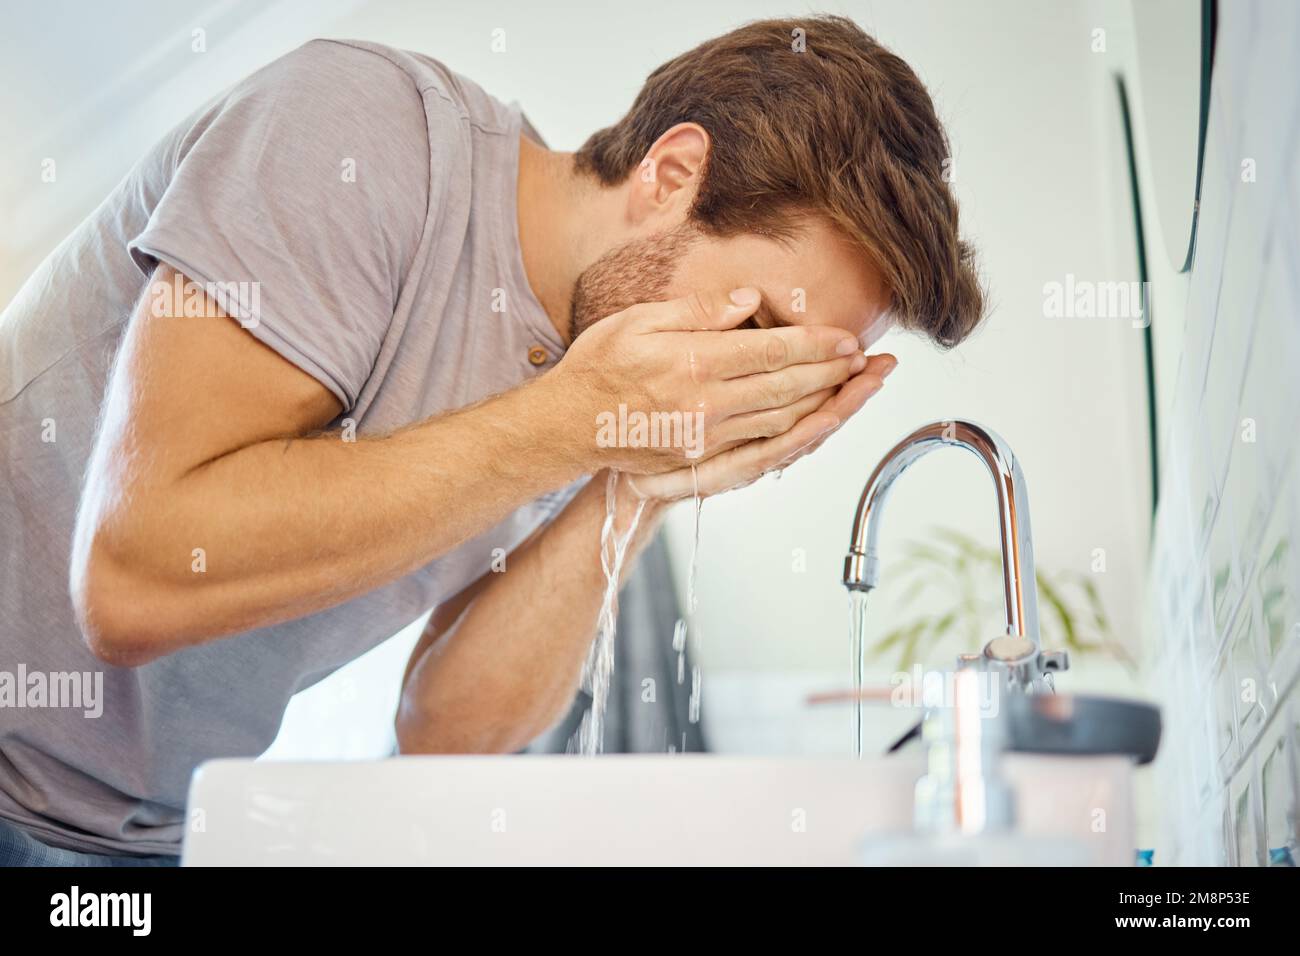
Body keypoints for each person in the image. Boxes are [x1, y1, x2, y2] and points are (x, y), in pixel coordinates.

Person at [0, 15, 983, 863]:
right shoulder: (354, 127)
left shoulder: (603, 372)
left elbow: (446, 734)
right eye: (757, 325)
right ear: (672, 174)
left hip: (144, 834)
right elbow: (133, 578)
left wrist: (638, 482)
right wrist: (573, 420)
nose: (738, 379)